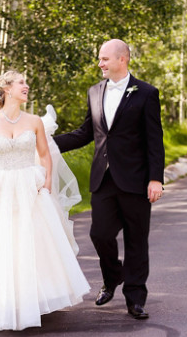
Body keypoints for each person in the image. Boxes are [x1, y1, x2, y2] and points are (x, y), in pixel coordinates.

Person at [0, 69, 89, 332]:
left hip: (28, 188)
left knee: (30, 244)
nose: (26, 86)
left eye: (26, 82)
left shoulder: (34, 121)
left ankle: (30, 300)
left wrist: (45, 184)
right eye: (22, 82)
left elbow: (45, 155)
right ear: (7, 88)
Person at [54, 39, 165, 320]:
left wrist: (155, 179)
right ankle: (112, 277)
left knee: (136, 239)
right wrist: (42, 142)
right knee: (99, 234)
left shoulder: (147, 93)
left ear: (122, 59)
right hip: (103, 179)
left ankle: (136, 298)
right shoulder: (94, 92)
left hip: (137, 180)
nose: (100, 64)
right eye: (100, 59)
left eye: (104, 59)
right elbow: (84, 133)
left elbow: (155, 141)